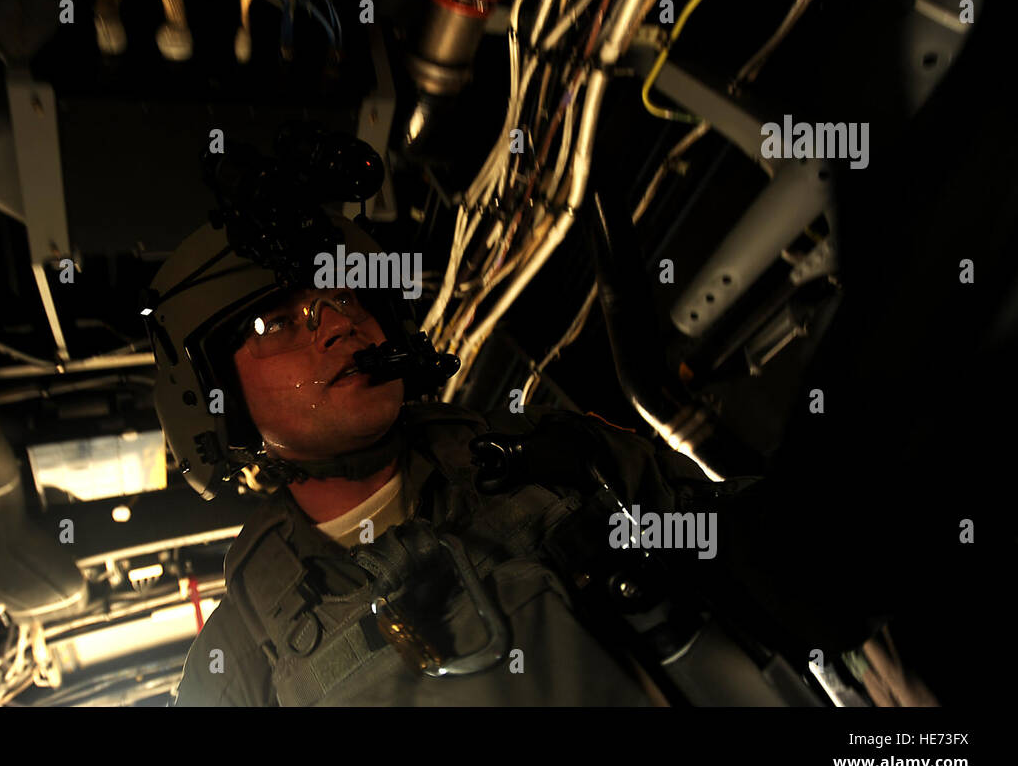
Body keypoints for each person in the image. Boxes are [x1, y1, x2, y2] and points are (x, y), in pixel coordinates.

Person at [150, 213, 766, 706]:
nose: (341, 326)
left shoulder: (563, 460)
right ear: (216, 402)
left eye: (349, 298)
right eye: (275, 322)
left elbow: (767, 554)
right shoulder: (241, 658)